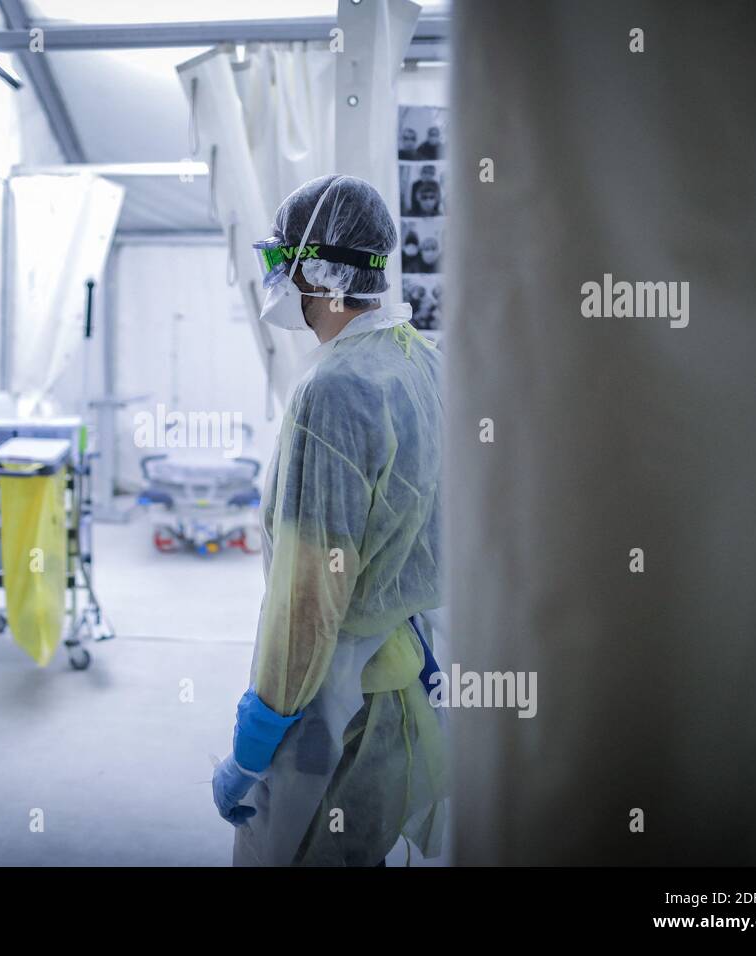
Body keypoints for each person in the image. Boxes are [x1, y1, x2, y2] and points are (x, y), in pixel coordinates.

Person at [221, 175, 445, 866]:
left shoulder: (336, 390)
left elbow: (310, 598)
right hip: (400, 692)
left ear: (317, 269)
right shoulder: (417, 360)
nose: (277, 278)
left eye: (281, 260)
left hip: (336, 713)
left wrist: (254, 745)